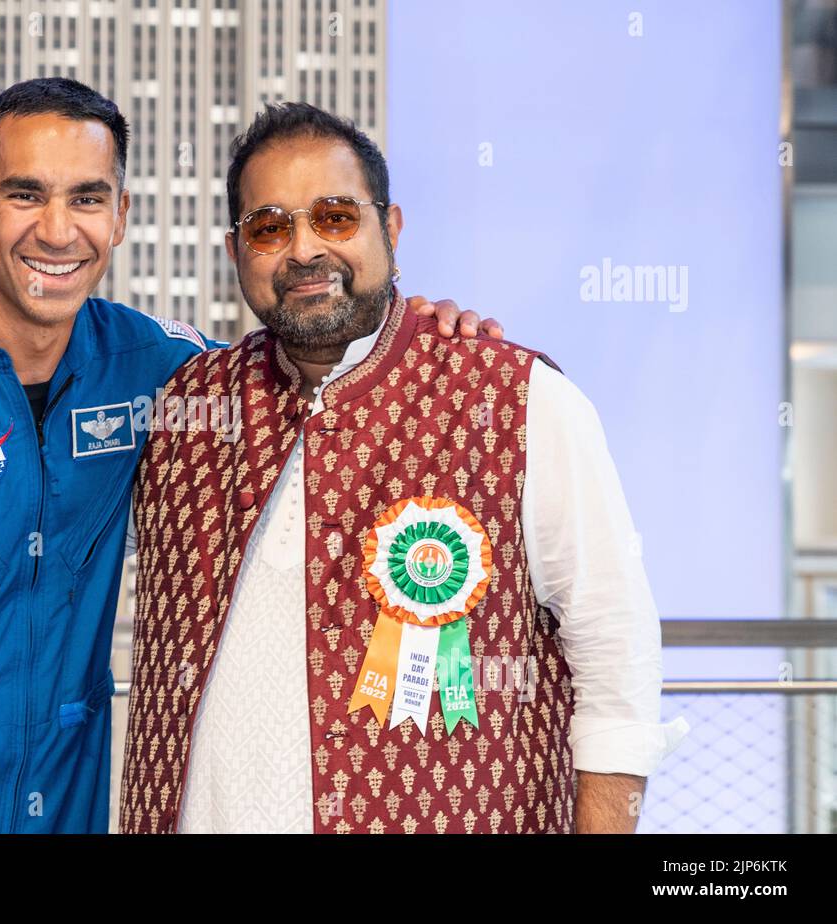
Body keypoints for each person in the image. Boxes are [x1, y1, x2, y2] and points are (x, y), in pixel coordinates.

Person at [0, 78, 494, 833]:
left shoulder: (160, 372)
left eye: (87, 198)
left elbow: (308, 361)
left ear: (120, 216)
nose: (57, 229)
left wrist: (416, 330)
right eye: (25, 195)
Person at [119, 102, 690, 834]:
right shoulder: (183, 409)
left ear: (390, 230)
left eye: (333, 217)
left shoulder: (516, 400)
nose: (302, 251)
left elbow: (615, 658)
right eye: (269, 227)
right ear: (237, 254)